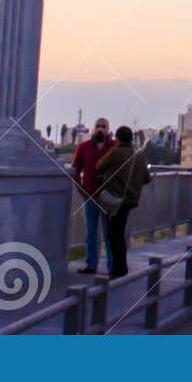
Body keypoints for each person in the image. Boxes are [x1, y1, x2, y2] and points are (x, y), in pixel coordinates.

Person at [93, 125, 152, 278]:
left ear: (117, 138)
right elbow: (146, 178)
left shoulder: (115, 152)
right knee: (119, 233)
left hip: (115, 200)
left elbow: (99, 167)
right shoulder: (138, 155)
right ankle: (121, 267)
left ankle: (119, 269)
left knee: (114, 235)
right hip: (130, 200)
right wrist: (132, 183)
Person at [70, 118, 112, 275]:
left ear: (108, 129)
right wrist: (81, 190)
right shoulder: (84, 147)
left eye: (104, 127)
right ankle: (91, 265)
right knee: (91, 233)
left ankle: (112, 266)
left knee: (109, 234)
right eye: (98, 126)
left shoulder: (114, 148)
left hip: (110, 198)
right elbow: (74, 170)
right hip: (90, 197)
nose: (100, 129)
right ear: (93, 129)